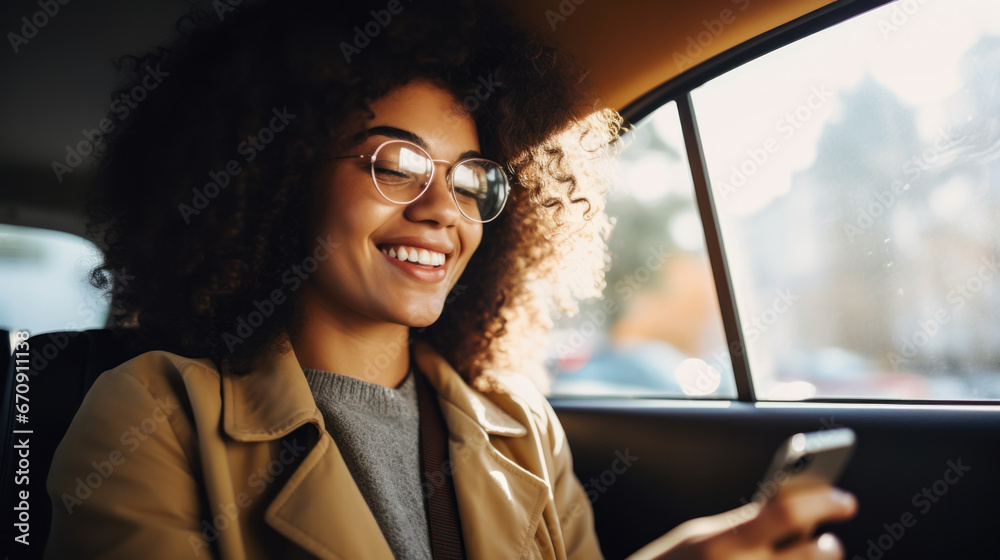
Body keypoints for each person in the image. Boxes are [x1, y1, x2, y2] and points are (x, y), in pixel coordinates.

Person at [45, 1, 858, 558]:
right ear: (279, 176)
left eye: (473, 178)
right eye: (396, 165)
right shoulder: (153, 414)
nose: (445, 208)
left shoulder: (521, 426)